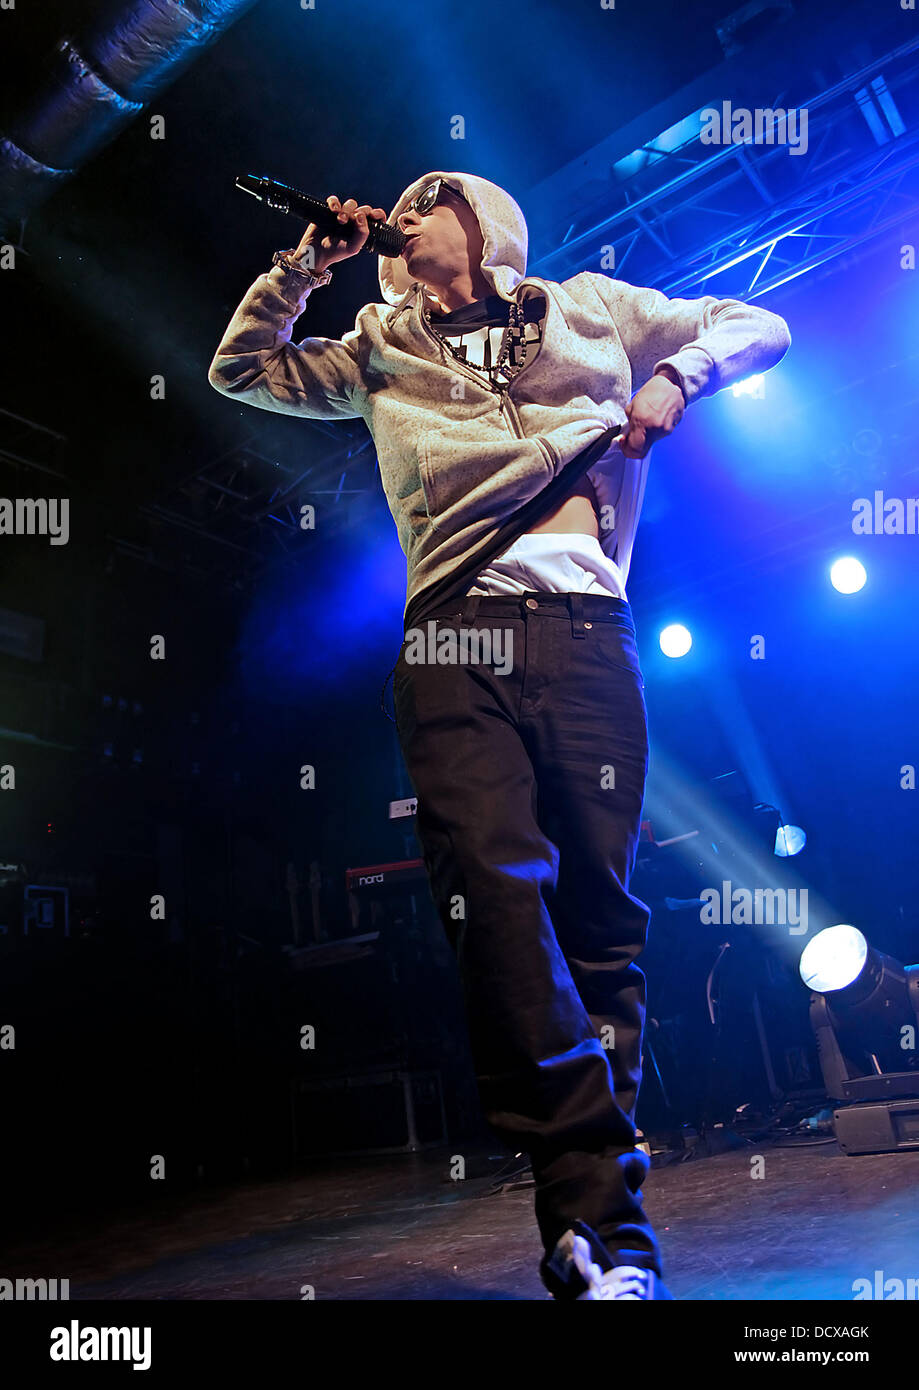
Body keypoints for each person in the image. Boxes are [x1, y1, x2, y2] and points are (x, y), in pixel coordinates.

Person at [208, 172, 791, 1300]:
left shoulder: (588, 308)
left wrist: (676, 375)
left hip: (585, 630)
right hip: (450, 637)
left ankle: (601, 1234)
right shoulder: (379, 344)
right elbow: (240, 369)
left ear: (484, 221)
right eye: (401, 202)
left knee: (600, 928)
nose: (406, 204)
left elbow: (756, 320)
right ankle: (599, 1218)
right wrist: (301, 269)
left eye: (434, 192)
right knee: (496, 897)